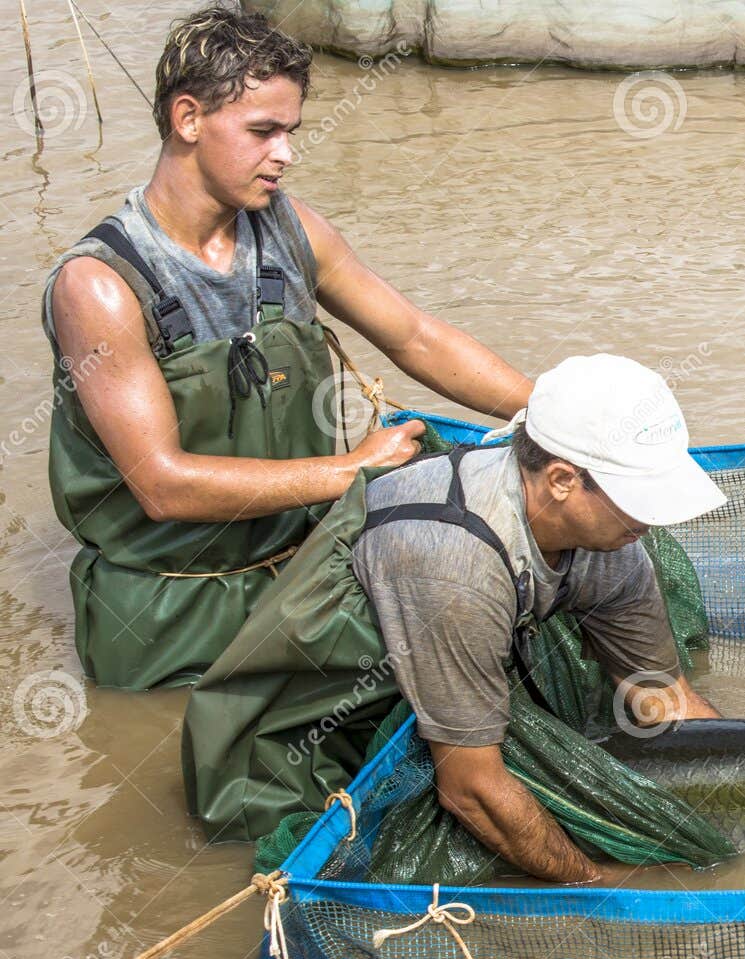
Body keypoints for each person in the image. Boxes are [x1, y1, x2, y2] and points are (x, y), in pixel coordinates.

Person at [43, 5, 530, 690]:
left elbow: (415, 337)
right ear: (188, 119)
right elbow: (162, 484)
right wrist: (350, 470)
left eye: (290, 132)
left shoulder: (292, 229)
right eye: (263, 131)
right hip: (167, 619)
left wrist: (554, 408)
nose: (286, 154)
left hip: (300, 580)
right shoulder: (99, 285)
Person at [181, 354, 726, 883]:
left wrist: (739, 792)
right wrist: (598, 884)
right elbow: (470, 790)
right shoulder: (456, 569)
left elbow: (662, 697)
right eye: (640, 496)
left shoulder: (612, 542)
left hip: (447, 651)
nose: (652, 517)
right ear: (562, 480)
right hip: (299, 746)